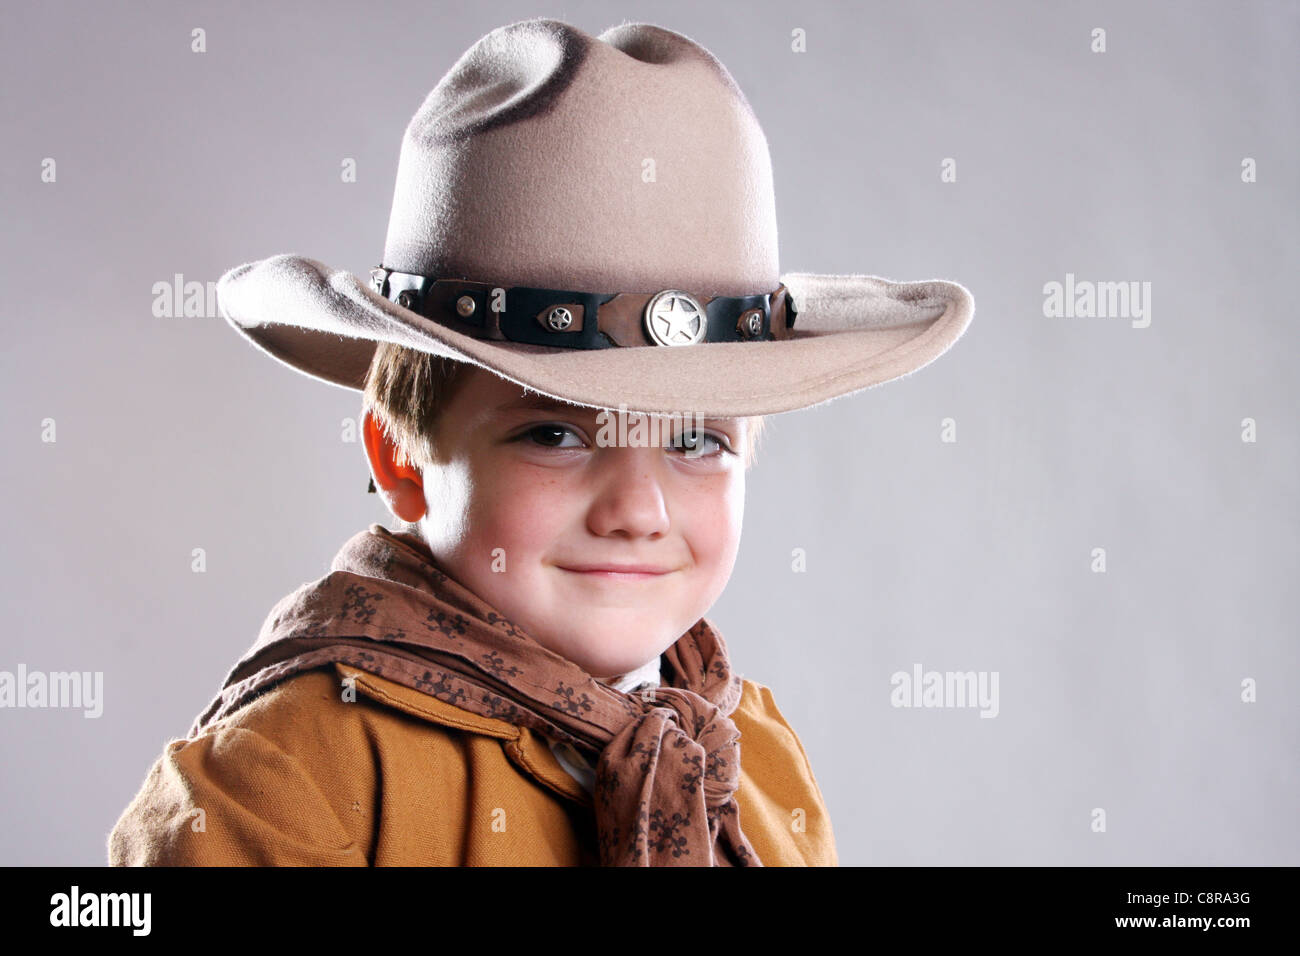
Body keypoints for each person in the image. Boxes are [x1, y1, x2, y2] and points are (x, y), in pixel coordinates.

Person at [108, 16, 974, 866]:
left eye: (697, 442)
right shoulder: (284, 783)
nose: (639, 511)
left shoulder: (753, 754)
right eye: (555, 433)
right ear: (400, 459)